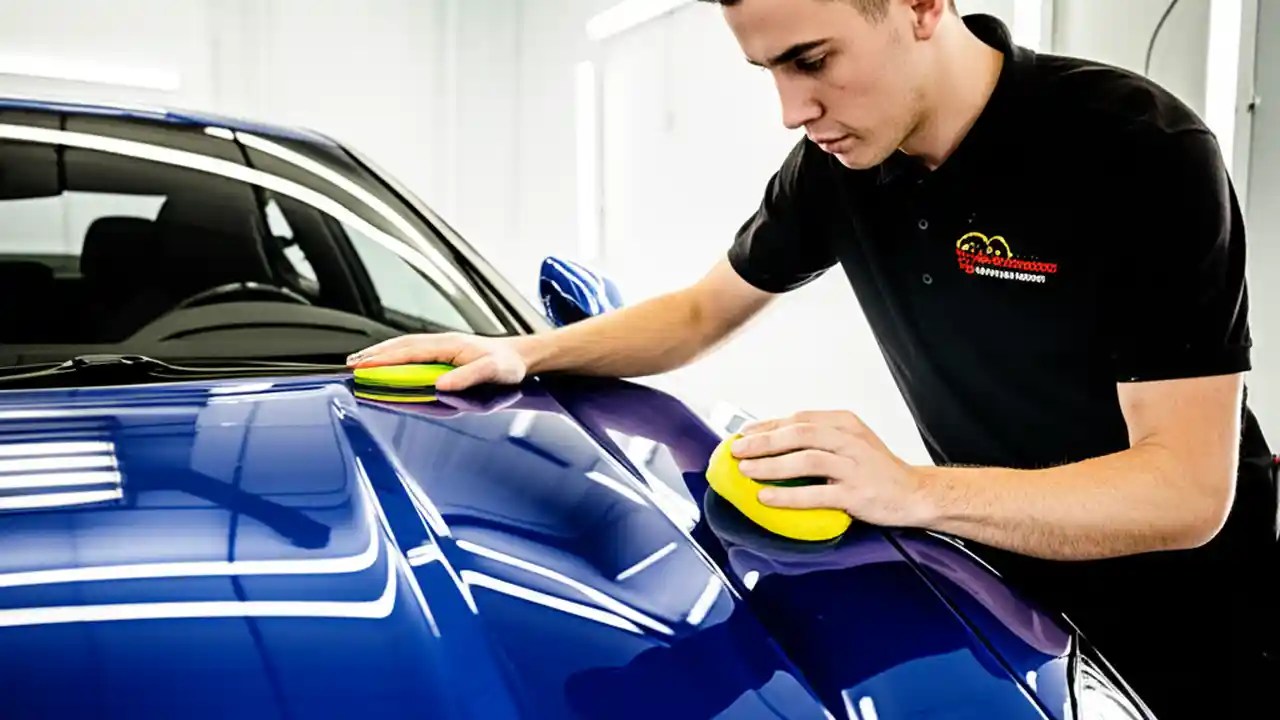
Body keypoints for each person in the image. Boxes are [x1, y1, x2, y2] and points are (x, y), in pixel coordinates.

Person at [347, 0, 1277, 716]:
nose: (795, 111)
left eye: (813, 60)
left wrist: (911, 490)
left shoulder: (1138, 150)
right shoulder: (841, 168)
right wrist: (520, 352)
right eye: (769, 71)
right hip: (996, 589)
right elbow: (701, 312)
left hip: (1188, 625)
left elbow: (1184, 493)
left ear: (922, 6)